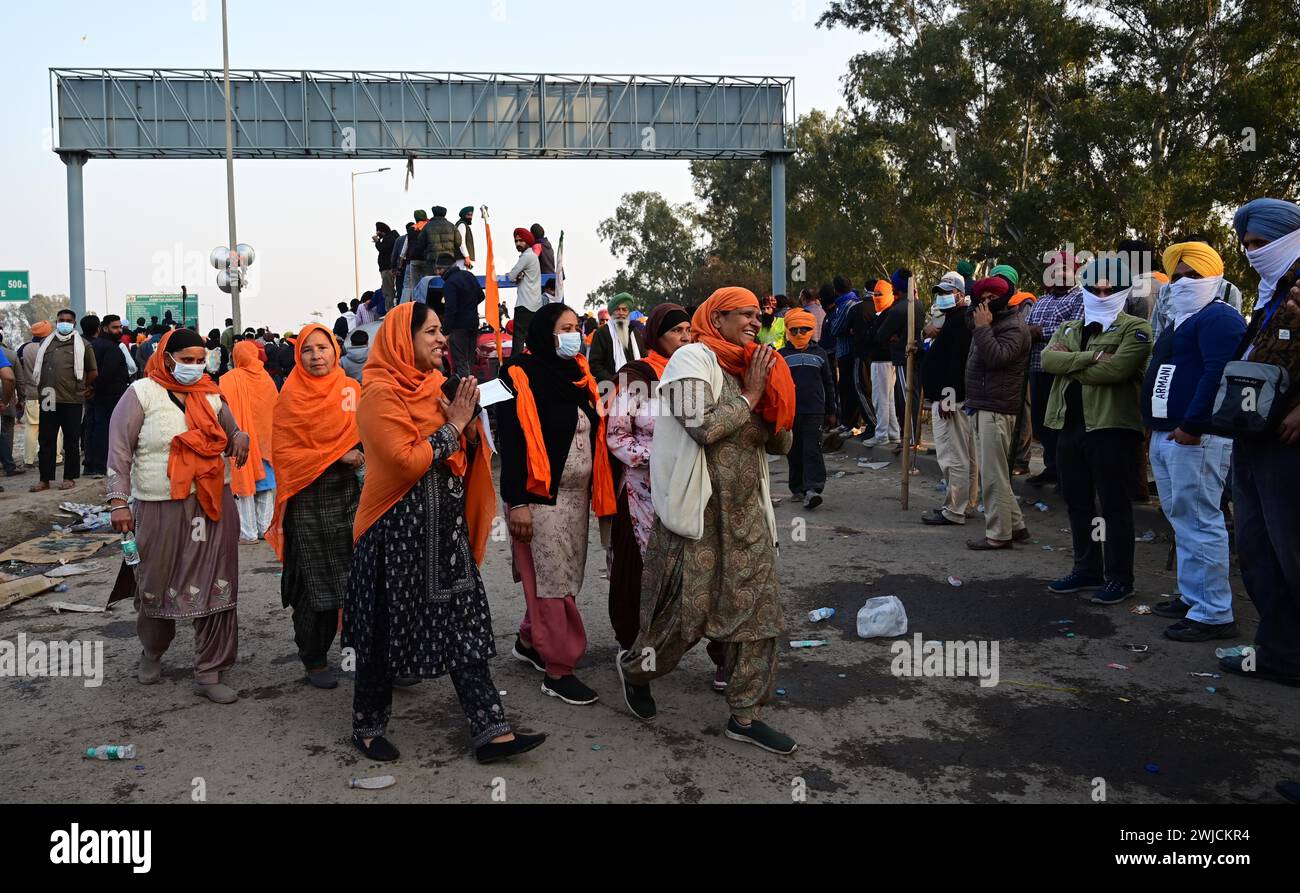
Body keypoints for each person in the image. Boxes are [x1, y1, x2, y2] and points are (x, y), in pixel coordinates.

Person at [345, 302, 544, 763]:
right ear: (402, 339)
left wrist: (469, 427)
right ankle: (368, 727)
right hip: (392, 537)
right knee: (382, 632)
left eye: (440, 330)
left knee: (465, 628)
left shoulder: (440, 388)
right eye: (430, 331)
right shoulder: (378, 395)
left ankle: (492, 730)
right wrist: (455, 424)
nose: (440, 339)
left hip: (444, 535)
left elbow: (472, 449)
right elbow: (405, 461)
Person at [614, 287, 796, 754]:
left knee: (761, 617)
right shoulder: (690, 360)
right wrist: (754, 395)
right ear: (717, 317)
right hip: (698, 516)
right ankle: (636, 670)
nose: (756, 322)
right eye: (746, 315)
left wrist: (779, 400)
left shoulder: (748, 364)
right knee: (681, 622)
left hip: (747, 516)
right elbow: (705, 426)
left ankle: (746, 715)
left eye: (759, 316)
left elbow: (777, 444)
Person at [106, 328, 252, 704]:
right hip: (159, 505)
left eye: (199, 360)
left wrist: (240, 438)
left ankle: (209, 670)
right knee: (155, 581)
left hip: (211, 503)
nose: (194, 367)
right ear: (166, 357)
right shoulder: (141, 394)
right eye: (186, 360)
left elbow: (233, 430)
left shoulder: (211, 393)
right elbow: (120, 452)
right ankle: (152, 651)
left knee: (218, 584)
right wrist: (118, 502)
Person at [606, 303, 733, 686]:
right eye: (677, 331)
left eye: (688, 330)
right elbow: (617, 436)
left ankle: (723, 655)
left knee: (707, 569)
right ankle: (637, 650)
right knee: (647, 573)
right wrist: (659, 458)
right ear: (656, 336)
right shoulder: (637, 376)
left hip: (694, 484)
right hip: (644, 492)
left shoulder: (699, 370)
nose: (685, 338)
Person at [497, 303, 617, 707]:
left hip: (576, 498)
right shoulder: (518, 374)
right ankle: (559, 670)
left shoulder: (579, 376)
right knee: (553, 582)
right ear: (545, 333)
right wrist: (516, 503)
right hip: (539, 498)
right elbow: (512, 442)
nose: (575, 334)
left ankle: (531, 640)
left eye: (577, 327)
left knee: (567, 574)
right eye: (565, 328)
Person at [1141, 242, 1244, 641]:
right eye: (1178, 275)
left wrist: (1193, 424)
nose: (1183, 282)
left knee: (1200, 521)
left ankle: (1214, 613)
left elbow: (1219, 373)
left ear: (1215, 277)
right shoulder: (1177, 319)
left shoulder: (1220, 318)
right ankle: (1193, 595)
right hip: (1169, 434)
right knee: (1182, 519)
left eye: (1194, 276)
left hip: (1195, 437)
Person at [1219, 198, 1300, 685]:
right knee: (1256, 548)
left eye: (1262, 243)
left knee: (1292, 552)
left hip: (1288, 446)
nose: (1253, 253)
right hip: (1252, 435)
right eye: (1247, 244)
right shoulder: (1271, 293)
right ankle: (1278, 652)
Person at [1041, 255, 1151, 603]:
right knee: (1078, 503)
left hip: (1111, 429)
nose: (1102, 294)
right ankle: (1086, 568)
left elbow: (1116, 372)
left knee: (1114, 505)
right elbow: (1047, 361)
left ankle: (1119, 577)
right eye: (1095, 287)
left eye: (1110, 289)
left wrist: (1069, 364)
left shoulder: (1136, 328)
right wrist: (1090, 358)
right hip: (1069, 426)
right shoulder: (1070, 328)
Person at [266, 324, 363, 688]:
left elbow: (369, 432)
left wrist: (358, 455)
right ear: (298, 356)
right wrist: (338, 454)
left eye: (323, 348)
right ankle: (315, 659)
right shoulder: (289, 397)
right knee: (313, 586)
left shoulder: (351, 391)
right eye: (308, 350)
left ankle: (368, 658)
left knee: (361, 582)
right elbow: (286, 452)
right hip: (307, 500)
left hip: (351, 497)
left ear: (335, 351)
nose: (316, 356)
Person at [964, 276, 1032, 550]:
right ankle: (1016, 526)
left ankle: (998, 534)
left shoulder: (1014, 327)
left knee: (992, 476)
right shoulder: (989, 322)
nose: (987, 303)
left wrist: (983, 328)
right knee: (995, 473)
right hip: (983, 403)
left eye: (994, 298)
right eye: (984, 298)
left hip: (998, 407)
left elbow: (997, 359)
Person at [1025, 251, 1085, 486]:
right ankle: (1052, 467)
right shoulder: (1042, 300)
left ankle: (1068, 475)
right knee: (1042, 422)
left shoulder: (1080, 298)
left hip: (1061, 371)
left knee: (1063, 422)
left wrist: (1040, 333)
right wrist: (1031, 332)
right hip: (1037, 367)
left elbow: (1073, 332)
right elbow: (1026, 328)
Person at [920, 279, 977, 526]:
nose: (941, 297)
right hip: (951, 398)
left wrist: (948, 397)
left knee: (953, 456)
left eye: (948, 292)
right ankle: (967, 504)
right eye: (939, 293)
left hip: (951, 400)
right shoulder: (953, 321)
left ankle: (955, 509)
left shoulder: (961, 322)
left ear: (960, 295)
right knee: (965, 456)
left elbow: (958, 365)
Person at [220, 340, 279, 547]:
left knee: (244, 487)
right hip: (265, 442)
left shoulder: (230, 378)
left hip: (241, 443)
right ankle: (266, 529)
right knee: (265, 487)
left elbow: (222, 409)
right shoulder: (267, 378)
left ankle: (248, 532)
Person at [31, 309, 97, 492]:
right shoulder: (46, 343)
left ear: (74, 324)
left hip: (72, 398)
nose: (64, 323)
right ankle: (44, 479)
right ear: (56, 321)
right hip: (48, 397)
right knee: (46, 439)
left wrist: (84, 387)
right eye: (61, 320)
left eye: (68, 320)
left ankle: (69, 477)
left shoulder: (83, 345)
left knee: (71, 440)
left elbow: (93, 372)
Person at [779, 307, 837, 509]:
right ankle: (797, 488)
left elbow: (829, 383)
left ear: (811, 330)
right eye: (794, 330)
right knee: (794, 450)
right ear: (788, 330)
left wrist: (832, 410)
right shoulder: (781, 356)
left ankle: (813, 489)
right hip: (790, 413)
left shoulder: (820, 354)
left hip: (815, 411)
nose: (799, 334)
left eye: (804, 330)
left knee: (812, 449)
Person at [85, 315, 131, 477]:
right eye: (115, 327)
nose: (119, 330)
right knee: (108, 430)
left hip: (97, 394)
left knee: (94, 428)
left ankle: (91, 464)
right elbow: (106, 374)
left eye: (120, 327)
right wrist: (94, 387)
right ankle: (101, 464)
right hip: (110, 395)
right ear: (104, 328)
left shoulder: (94, 345)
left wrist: (90, 388)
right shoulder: (111, 348)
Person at [863, 278, 902, 446]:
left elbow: (875, 336)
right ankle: (893, 433)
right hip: (885, 359)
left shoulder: (888, 314)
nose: (877, 297)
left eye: (880, 294)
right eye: (875, 294)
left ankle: (881, 435)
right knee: (888, 398)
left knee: (880, 399)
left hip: (882, 360)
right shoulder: (887, 312)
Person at [828, 277, 865, 434]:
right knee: (853, 388)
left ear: (836, 290)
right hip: (854, 351)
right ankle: (852, 422)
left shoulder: (844, 305)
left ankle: (849, 423)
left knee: (847, 388)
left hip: (846, 352)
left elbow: (835, 329)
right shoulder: (856, 301)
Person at [440, 251, 485, 376]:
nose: (438, 272)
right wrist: (469, 306)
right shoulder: (468, 275)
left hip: (458, 327)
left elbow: (451, 309)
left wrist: (446, 332)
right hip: (473, 323)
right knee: (470, 359)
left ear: (446, 268)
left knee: (460, 361)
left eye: (439, 269)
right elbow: (481, 296)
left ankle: (465, 390)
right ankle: (473, 388)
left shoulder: (449, 283)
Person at [588, 293, 646, 387]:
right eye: (617, 309)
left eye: (624, 309)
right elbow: (595, 365)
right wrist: (615, 382)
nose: (621, 313)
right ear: (611, 312)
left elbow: (644, 358)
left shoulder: (634, 333)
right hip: (611, 389)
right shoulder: (602, 333)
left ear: (628, 312)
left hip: (636, 386)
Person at [17, 322, 52, 469]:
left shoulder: (23, 349)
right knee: (53, 426)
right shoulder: (51, 347)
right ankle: (56, 457)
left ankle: (29, 460)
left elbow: (18, 370)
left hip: (31, 393)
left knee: (32, 427)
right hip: (49, 392)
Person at [508, 228, 542, 351]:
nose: (518, 244)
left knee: (518, 338)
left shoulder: (526, 256)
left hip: (524, 304)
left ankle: (515, 366)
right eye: (516, 241)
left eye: (521, 241)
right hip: (534, 304)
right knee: (532, 338)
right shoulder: (532, 256)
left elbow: (511, 276)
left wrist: (517, 274)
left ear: (527, 241)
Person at [423, 206, 462, 272]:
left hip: (433, 259)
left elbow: (421, 243)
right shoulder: (451, 226)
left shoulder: (427, 226)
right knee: (448, 279)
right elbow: (458, 242)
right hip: (448, 259)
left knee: (434, 280)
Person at [0, 336, 17, 482]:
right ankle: (8, 465)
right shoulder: (9, 353)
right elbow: (9, 378)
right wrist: (4, 401)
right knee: (5, 432)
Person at [374, 223, 398, 305]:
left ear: (382, 231)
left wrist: (377, 242)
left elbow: (383, 249)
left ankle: (390, 311)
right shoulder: (391, 237)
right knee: (389, 291)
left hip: (387, 269)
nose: (377, 233)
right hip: (389, 269)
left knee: (388, 292)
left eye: (378, 231)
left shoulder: (389, 238)